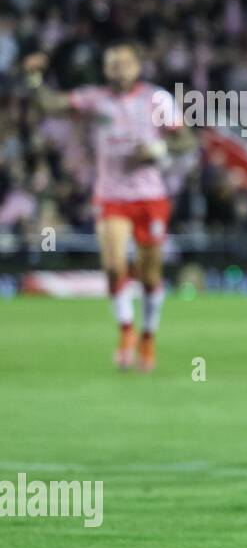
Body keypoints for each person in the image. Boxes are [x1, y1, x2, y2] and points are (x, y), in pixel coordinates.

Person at [23, 43, 193, 372]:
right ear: (105, 70)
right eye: (112, 65)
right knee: (114, 266)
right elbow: (50, 104)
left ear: (136, 67)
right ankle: (126, 332)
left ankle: (148, 335)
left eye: (124, 64)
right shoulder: (94, 100)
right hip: (111, 196)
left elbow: (185, 139)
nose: (119, 70)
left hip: (150, 196)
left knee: (149, 274)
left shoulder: (156, 99)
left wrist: (158, 148)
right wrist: (33, 77)